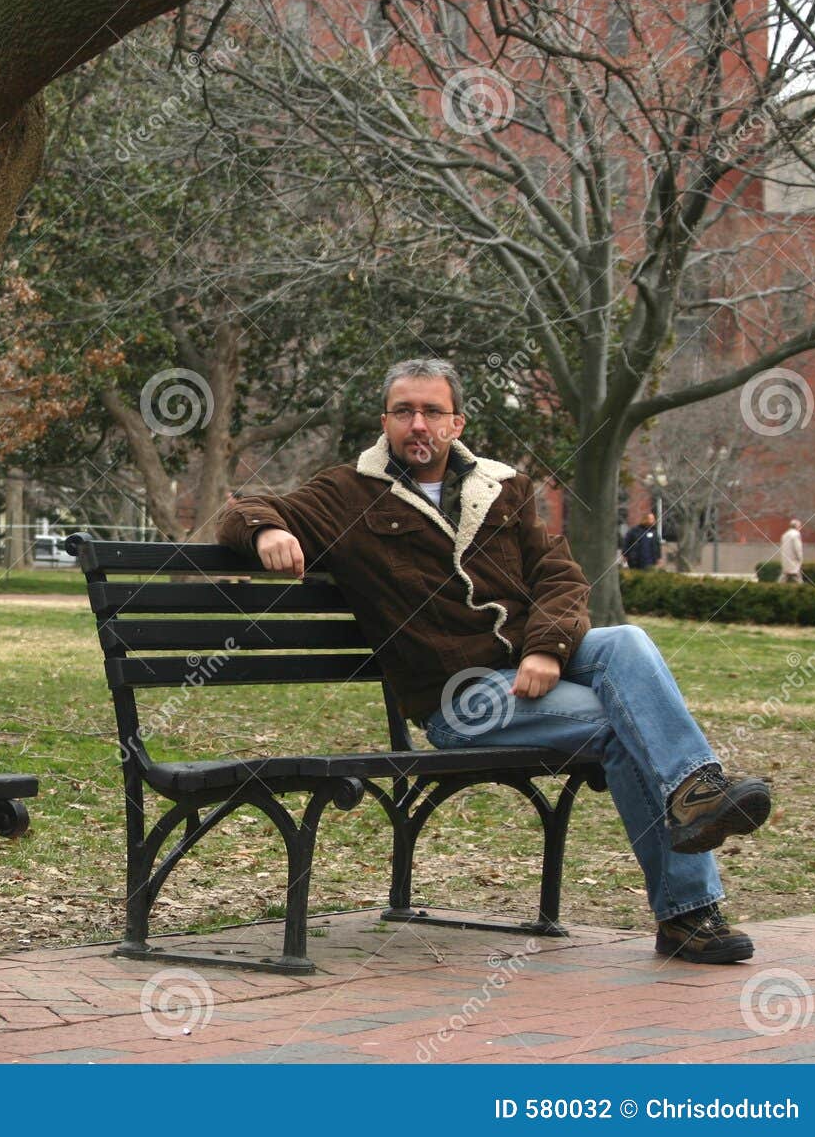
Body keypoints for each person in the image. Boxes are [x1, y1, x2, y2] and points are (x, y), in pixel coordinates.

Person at [217, 358, 773, 963]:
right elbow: (240, 511)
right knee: (627, 726)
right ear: (386, 421)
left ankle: (697, 794)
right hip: (463, 701)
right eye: (404, 411)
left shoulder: (503, 487)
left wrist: (545, 648)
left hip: (533, 668)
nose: (418, 424)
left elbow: (558, 577)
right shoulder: (346, 493)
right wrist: (266, 532)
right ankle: (689, 913)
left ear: (456, 423)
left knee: (629, 641)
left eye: (432, 411)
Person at [780, 518, 804, 583]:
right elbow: (798, 548)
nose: (800, 527)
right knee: (797, 576)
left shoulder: (785, 534)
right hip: (794, 560)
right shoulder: (796, 534)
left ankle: (774, 589)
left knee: (784, 576)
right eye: (799, 526)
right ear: (796, 526)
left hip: (785, 559)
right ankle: (804, 590)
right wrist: (800, 558)